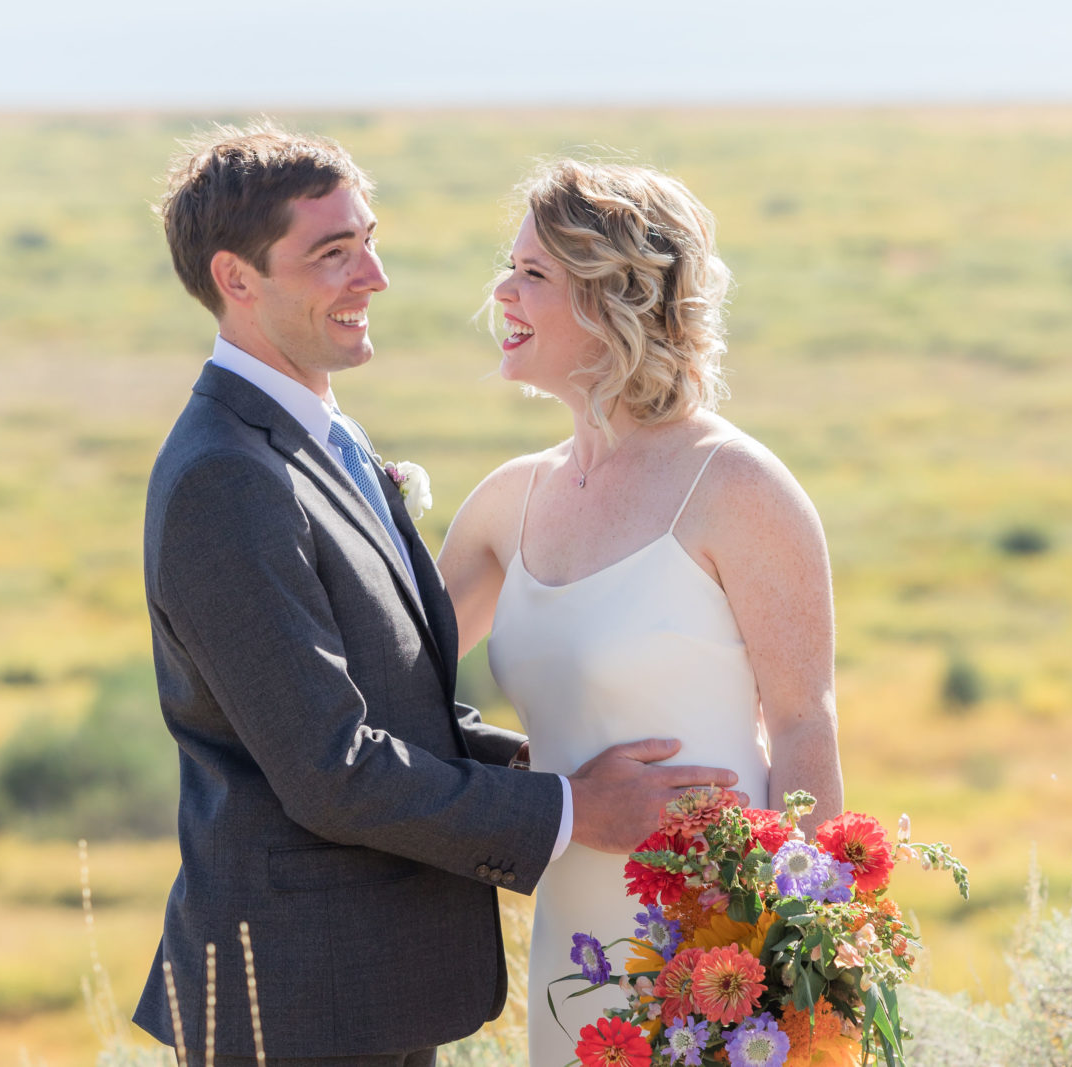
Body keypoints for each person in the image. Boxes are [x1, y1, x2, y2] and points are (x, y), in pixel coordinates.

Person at [133, 125, 747, 1067]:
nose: (373, 276)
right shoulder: (228, 476)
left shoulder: (316, 438)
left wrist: (538, 764)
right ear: (236, 278)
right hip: (296, 1003)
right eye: (332, 253)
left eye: (369, 240)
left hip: (360, 992)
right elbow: (331, 767)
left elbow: (389, 702)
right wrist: (571, 809)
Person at [437, 158, 844, 1062]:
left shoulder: (738, 486)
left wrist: (806, 975)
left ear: (612, 299)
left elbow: (803, 724)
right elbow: (393, 687)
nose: (502, 291)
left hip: (717, 941)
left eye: (533, 273)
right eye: (509, 266)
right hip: (572, 941)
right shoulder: (506, 502)